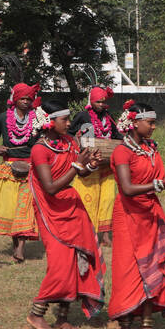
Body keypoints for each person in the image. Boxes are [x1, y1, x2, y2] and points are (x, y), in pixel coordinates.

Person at [26, 102, 106, 329]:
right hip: (51, 210)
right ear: (50, 122)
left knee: (76, 260)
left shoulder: (69, 142)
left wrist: (89, 165)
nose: (70, 123)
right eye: (65, 119)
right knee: (61, 264)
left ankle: (62, 317)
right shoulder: (39, 150)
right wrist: (77, 165)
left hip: (72, 206)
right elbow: (50, 188)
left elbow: (79, 173)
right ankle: (36, 313)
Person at [109, 100, 165, 329]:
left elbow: (158, 179)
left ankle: (147, 327)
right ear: (134, 122)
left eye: (154, 123)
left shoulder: (151, 149)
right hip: (128, 216)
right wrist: (162, 184)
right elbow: (128, 188)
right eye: (150, 123)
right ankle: (125, 328)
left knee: (155, 267)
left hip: (151, 214)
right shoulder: (122, 151)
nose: (153, 127)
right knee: (129, 270)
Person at [0, 81, 40, 262]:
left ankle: (21, 247)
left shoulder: (37, 118)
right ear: (15, 99)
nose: (26, 102)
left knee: (25, 207)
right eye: (22, 98)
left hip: (30, 167)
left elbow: (44, 138)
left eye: (29, 99)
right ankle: (16, 245)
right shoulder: (4, 117)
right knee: (13, 208)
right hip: (9, 168)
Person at [70, 86, 118, 247]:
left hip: (107, 165)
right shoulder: (82, 116)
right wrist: (78, 142)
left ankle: (105, 235)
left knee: (108, 199)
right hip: (89, 165)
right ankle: (88, 232)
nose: (102, 105)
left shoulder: (108, 117)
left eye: (104, 102)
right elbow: (69, 133)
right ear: (91, 101)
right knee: (89, 199)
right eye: (98, 102)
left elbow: (117, 135)